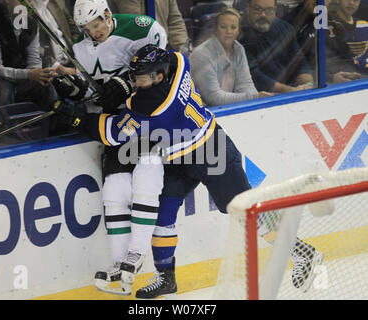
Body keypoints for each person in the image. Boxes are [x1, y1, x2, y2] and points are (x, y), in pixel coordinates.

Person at [53, 44, 324, 299]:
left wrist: (75, 117)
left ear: (159, 77)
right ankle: (166, 278)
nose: (137, 81)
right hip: (180, 158)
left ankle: (302, 252)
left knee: (246, 210)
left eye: (141, 78)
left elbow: (110, 133)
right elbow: (168, 57)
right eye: (134, 76)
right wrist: (125, 83)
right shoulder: (179, 64)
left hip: (211, 153)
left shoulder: (152, 106)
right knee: (162, 213)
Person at [52, 0, 168, 296]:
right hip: (115, 124)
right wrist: (75, 90)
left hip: (147, 117)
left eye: (97, 25)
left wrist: (125, 84)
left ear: (107, 15)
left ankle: (137, 253)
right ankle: (120, 265)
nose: (94, 33)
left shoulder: (142, 28)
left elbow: (161, 69)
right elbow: (94, 91)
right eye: (87, 29)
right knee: (114, 190)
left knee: (146, 180)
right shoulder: (80, 47)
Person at [189, 7, 273, 107]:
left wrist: (254, 104)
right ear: (216, 29)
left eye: (233, 27)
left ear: (238, 31)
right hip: (202, 113)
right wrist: (254, 97)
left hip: (227, 108)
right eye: (223, 27)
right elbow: (213, 98)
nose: (228, 31)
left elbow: (245, 84)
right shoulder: (201, 54)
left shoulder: (239, 49)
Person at [0, 0, 58, 110]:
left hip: (20, 73)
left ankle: (46, 125)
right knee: (3, 92)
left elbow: (34, 61)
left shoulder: (31, 23)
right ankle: (4, 126)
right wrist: (29, 74)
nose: (29, 4)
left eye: (31, 0)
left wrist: (41, 74)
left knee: (46, 88)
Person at [239, 0, 315, 93]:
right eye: (257, 9)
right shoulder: (238, 34)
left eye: (269, 10)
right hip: (260, 98)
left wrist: (308, 84)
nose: (263, 14)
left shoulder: (285, 28)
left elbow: (299, 61)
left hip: (290, 91)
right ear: (248, 9)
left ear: (275, 10)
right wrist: (289, 90)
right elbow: (254, 76)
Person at [283, 0, 363, 84]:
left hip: (345, 76)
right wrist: (331, 78)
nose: (318, 2)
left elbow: (346, 54)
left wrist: (355, 72)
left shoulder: (333, 21)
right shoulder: (291, 23)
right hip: (320, 84)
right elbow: (297, 68)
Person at [111, 0, 189, 52]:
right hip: (130, 53)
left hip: (163, 49)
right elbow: (134, 28)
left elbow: (175, 22)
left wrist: (184, 49)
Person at [326, 0, 368, 81]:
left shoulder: (365, 25)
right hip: (346, 81)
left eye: (356, 0)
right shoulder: (328, 27)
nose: (352, 3)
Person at [30, 0, 80, 68]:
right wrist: (57, 67)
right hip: (51, 69)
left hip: (74, 59)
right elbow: (31, 46)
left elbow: (72, 27)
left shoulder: (57, 2)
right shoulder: (24, 10)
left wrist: (78, 50)